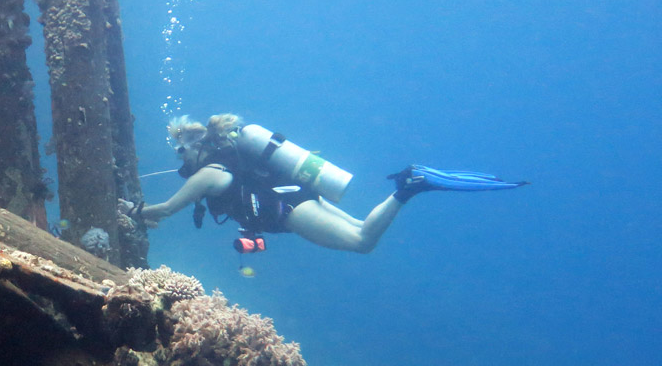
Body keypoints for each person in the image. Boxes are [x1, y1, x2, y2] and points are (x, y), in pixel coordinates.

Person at [124, 114, 527, 253]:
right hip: (295, 197)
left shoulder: (209, 175)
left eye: (181, 152)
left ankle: (409, 185)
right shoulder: (227, 166)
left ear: (198, 147)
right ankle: (413, 184)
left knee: (362, 242)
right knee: (358, 232)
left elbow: (167, 209)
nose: (180, 161)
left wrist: (133, 213)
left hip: (289, 210)